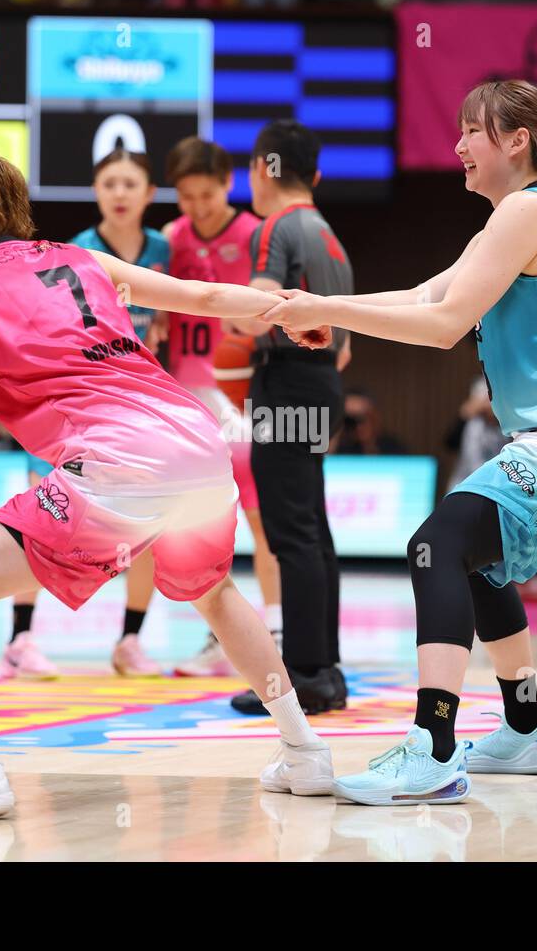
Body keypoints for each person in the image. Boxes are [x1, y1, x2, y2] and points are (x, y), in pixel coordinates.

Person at [0, 147, 333, 818]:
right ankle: (305, 750)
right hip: (200, 448)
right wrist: (292, 309)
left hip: (122, 462)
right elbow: (203, 298)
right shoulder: (79, 259)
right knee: (214, 593)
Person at [263, 79, 537, 805]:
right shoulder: (512, 219)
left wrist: (323, 308)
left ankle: (433, 746)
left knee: (434, 543)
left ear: (516, 142)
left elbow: (442, 328)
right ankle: (527, 728)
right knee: (475, 561)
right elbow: (422, 298)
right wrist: (320, 311)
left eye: (474, 132)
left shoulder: (528, 210)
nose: (459, 146)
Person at [5, 146, 171, 680]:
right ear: (97, 192)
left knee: (148, 522)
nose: (120, 193)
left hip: (134, 408)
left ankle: (129, 641)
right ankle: (20, 638)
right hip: (71, 404)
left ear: (148, 194)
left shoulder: (163, 248)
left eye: (130, 184)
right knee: (44, 515)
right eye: (110, 184)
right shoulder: (76, 252)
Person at [229, 120, 354, 716]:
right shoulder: (330, 236)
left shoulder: (276, 226)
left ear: (261, 169)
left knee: (291, 532)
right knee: (313, 529)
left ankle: (304, 676)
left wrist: (228, 315)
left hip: (286, 383)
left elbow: (258, 311)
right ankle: (324, 670)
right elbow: (346, 342)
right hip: (326, 382)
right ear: (319, 176)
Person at [159, 136, 281, 677]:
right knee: (207, 521)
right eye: (186, 197)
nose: (197, 207)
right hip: (186, 398)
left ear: (226, 184)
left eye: (206, 195)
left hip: (242, 395)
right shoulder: (169, 239)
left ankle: (276, 630)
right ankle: (222, 638)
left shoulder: (255, 234)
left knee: (262, 515)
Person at [333, 388, 409, 455]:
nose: (356, 424)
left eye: (361, 417)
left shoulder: (393, 447)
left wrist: (369, 443)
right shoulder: (340, 447)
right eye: (350, 419)